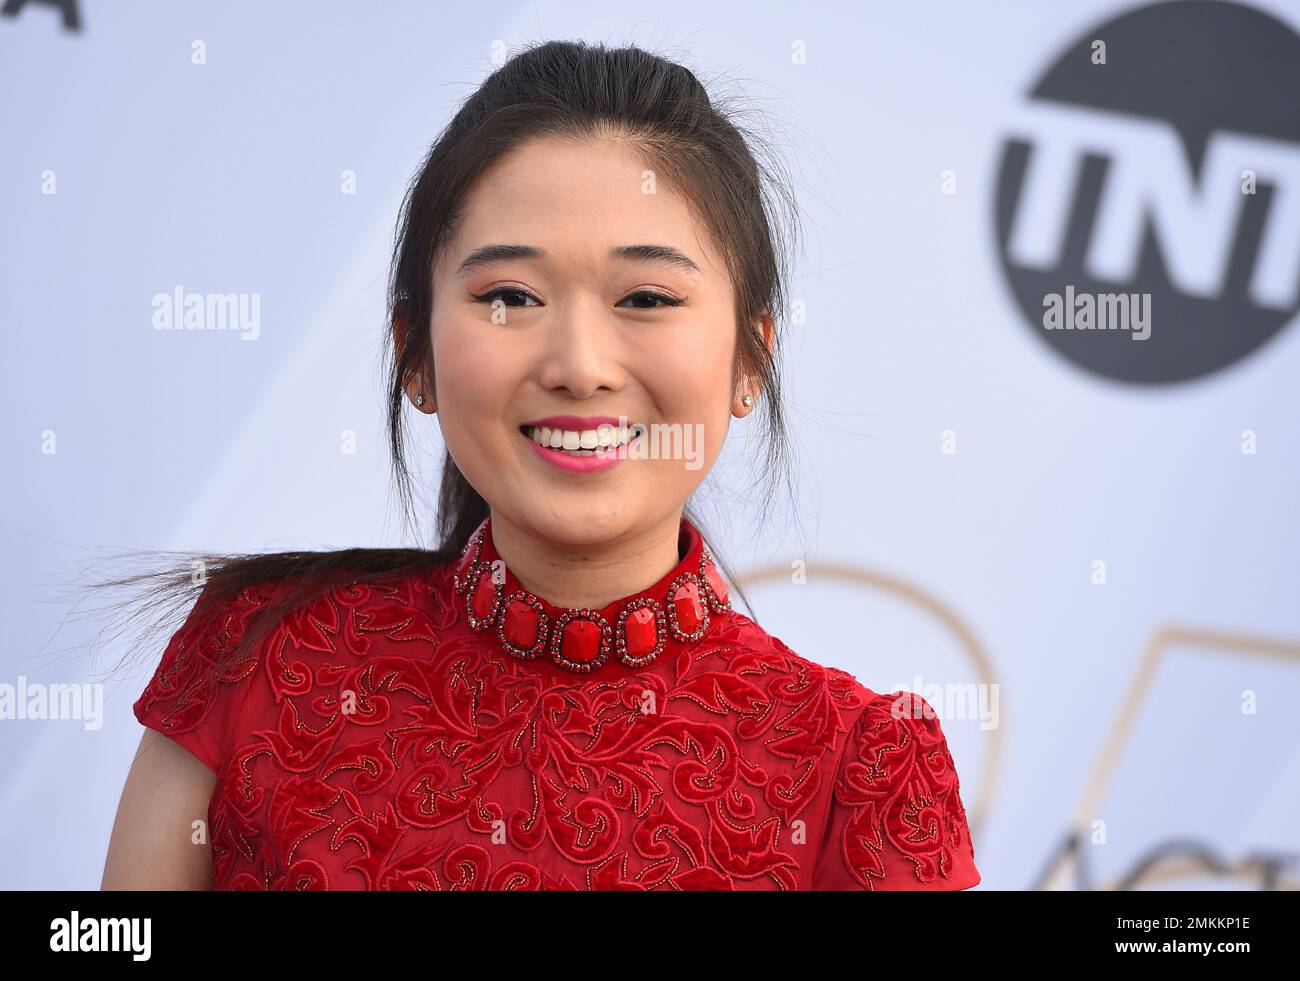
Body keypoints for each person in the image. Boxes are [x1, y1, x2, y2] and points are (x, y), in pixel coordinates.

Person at [102, 39, 980, 891]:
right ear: (416, 356)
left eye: (647, 298)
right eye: (510, 297)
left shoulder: (861, 770)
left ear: (751, 360)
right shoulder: (255, 659)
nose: (579, 363)